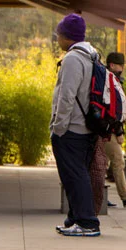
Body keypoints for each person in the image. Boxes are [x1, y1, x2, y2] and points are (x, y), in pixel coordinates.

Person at [50, 13, 101, 237]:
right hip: (87, 127)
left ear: (66, 36)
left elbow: (67, 96)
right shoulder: (91, 56)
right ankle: (74, 218)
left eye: (58, 34)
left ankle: (87, 222)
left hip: (72, 128)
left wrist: (58, 128)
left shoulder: (73, 59)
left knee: (76, 175)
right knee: (75, 174)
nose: (56, 38)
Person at [103, 52, 126, 208]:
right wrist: (118, 130)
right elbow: (110, 107)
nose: (122, 68)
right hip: (109, 129)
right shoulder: (108, 80)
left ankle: (101, 196)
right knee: (118, 160)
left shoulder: (113, 80)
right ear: (112, 65)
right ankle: (125, 197)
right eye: (120, 65)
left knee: (104, 163)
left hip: (110, 128)